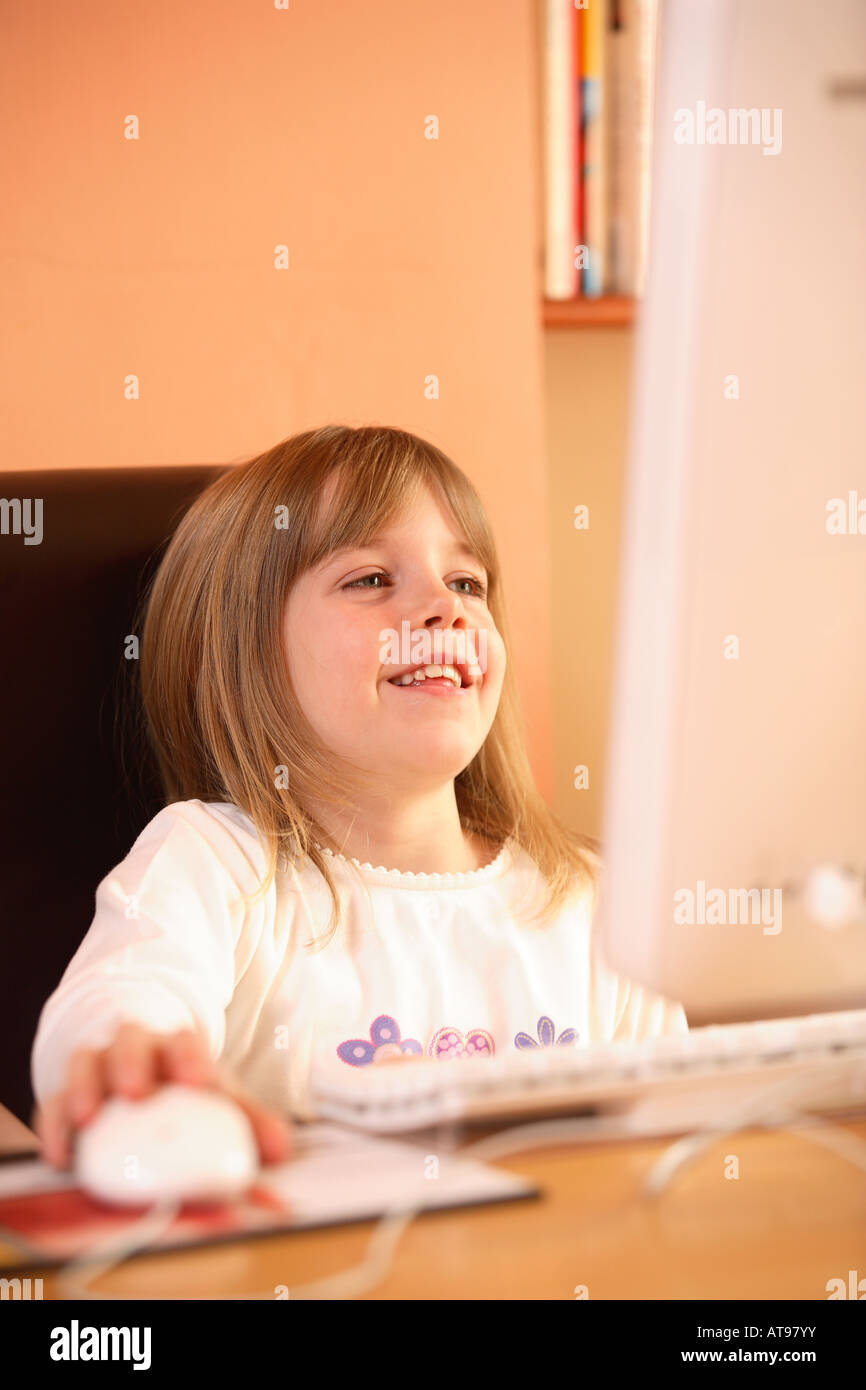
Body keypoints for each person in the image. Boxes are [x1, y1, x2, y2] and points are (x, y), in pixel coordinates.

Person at [31, 424, 687, 1170]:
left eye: (468, 582)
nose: (447, 609)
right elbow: (118, 998)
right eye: (371, 579)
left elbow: (676, 1146)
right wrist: (126, 1054)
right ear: (245, 654)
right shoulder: (216, 866)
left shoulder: (596, 903)